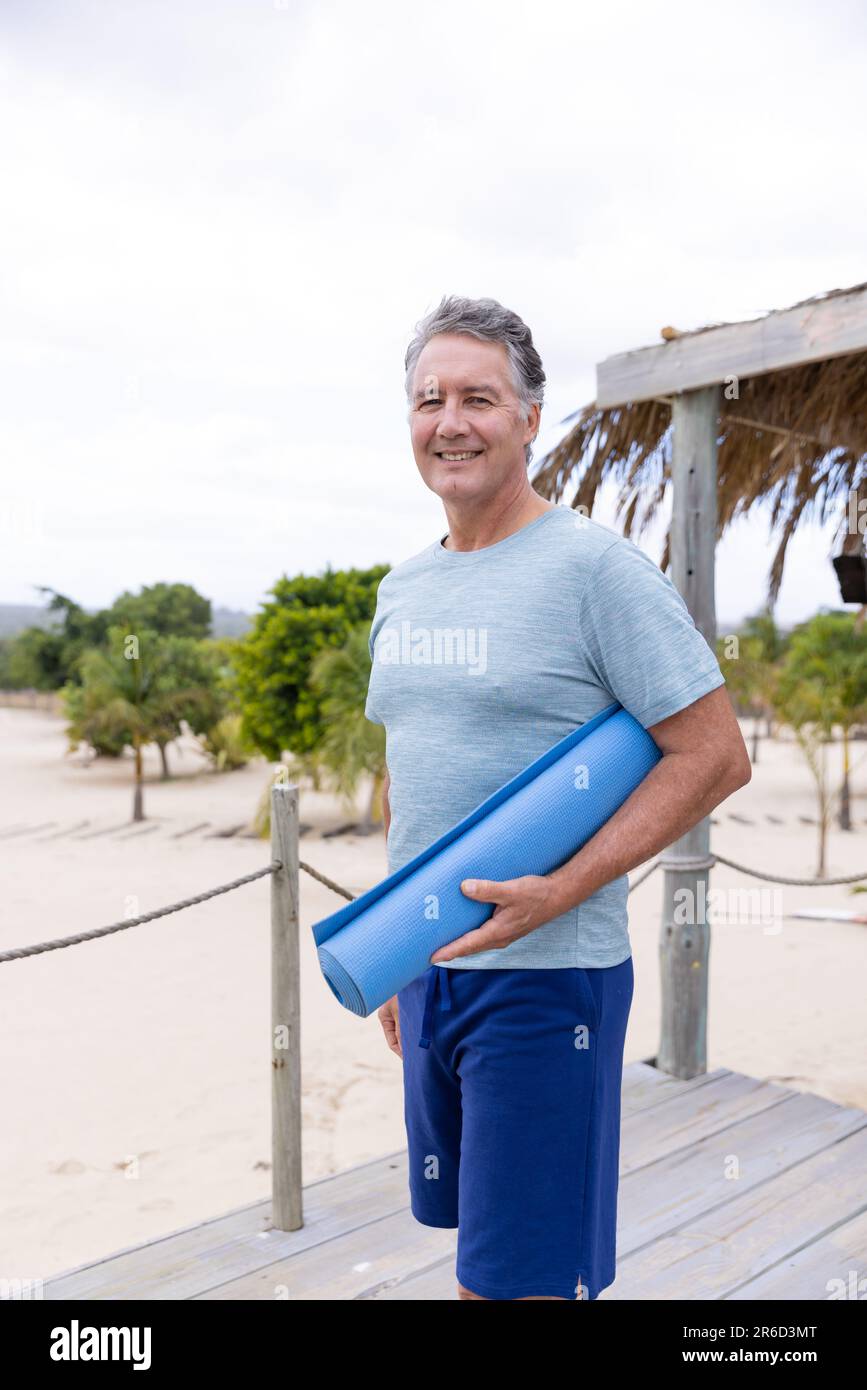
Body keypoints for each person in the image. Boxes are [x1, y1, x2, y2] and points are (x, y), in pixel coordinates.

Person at [364, 295, 751, 1301]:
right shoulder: (401, 589)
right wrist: (396, 941)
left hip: (548, 981)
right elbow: (413, 762)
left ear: (530, 418)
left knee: (521, 1282)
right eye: (429, 399)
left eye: (479, 398)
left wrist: (566, 884)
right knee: (470, 1250)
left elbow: (712, 754)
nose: (450, 421)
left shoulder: (596, 570)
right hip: (429, 971)